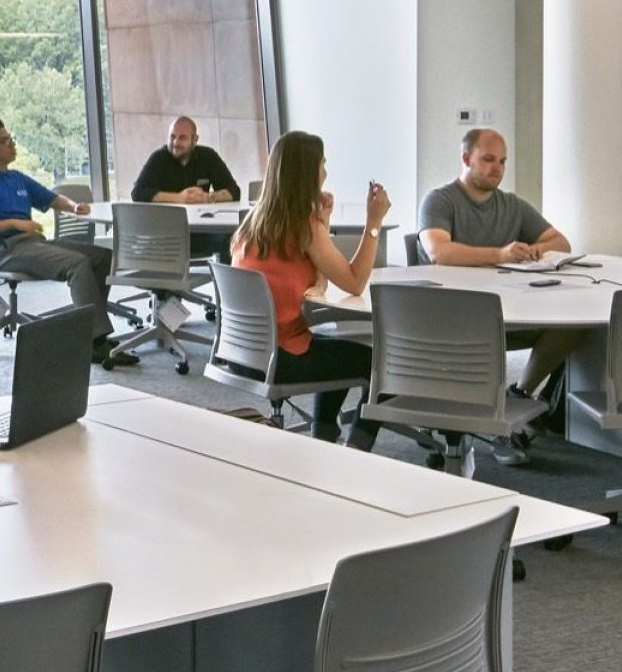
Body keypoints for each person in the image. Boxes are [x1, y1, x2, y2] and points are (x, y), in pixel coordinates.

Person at [416, 128, 583, 452]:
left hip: (511, 312)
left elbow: (561, 242)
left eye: (502, 162)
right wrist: (500, 254)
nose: (497, 168)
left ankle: (520, 393)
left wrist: (532, 250)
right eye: (488, 160)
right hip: (455, 319)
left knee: (575, 325)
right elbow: (440, 252)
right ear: (466, 159)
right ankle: (475, 416)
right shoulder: (440, 200)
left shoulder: (511, 205)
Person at [228, 131, 388, 443]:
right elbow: (354, 283)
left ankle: (323, 435)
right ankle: (358, 444)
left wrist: (323, 225)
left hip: (245, 353)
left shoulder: (253, 223)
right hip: (281, 357)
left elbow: (317, 283)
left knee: (331, 349)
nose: (326, 171)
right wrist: (373, 223)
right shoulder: (303, 225)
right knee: (379, 362)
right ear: (308, 171)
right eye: (322, 164)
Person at [0, 118, 115, 363]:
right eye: (4, 141)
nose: (12, 144)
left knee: (103, 258)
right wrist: (13, 223)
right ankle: (93, 341)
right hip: (6, 251)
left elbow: (51, 198)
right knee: (77, 264)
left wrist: (75, 206)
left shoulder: (17, 178)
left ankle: (91, 330)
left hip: (35, 244)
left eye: (11, 138)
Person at [130, 115, 240, 257]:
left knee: (233, 238)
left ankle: (226, 279)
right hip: (166, 236)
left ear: (195, 140)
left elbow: (234, 191)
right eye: (172, 137)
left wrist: (207, 197)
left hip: (201, 232)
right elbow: (138, 193)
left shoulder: (208, 157)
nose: (175, 142)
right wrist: (179, 198)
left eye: (182, 138)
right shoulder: (159, 158)